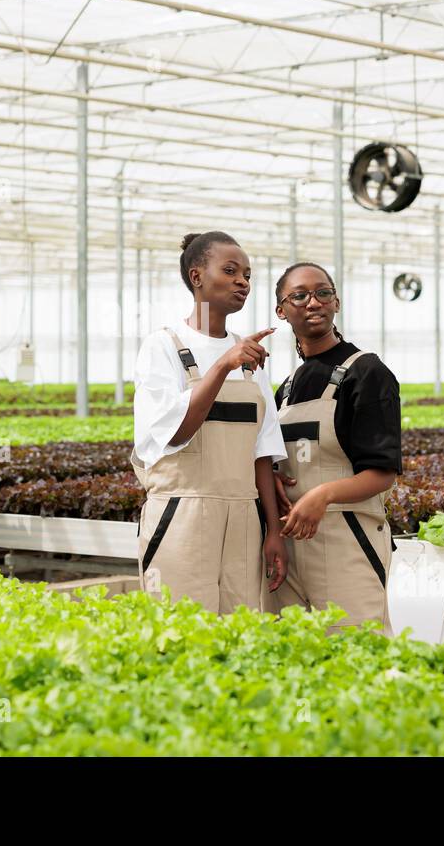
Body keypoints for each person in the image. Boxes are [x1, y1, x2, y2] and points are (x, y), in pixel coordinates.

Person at [131, 231, 288, 614]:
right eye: (231, 271)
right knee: (183, 631)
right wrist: (222, 365)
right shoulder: (164, 345)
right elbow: (177, 431)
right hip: (181, 513)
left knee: (243, 631)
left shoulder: (248, 356)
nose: (242, 282)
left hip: (243, 517)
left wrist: (273, 532)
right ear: (197, 276)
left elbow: (262, 453)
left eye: (248, 275)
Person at [267, 262, 401, 630]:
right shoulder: (288, 387)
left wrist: (322, 495)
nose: (314, 302)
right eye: (300, 295)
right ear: (281, 310)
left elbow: (382, 473)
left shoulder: (366, 372)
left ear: (336, 302)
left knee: (356, 652)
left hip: (347, 540)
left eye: (323, 293)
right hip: (292, 547)